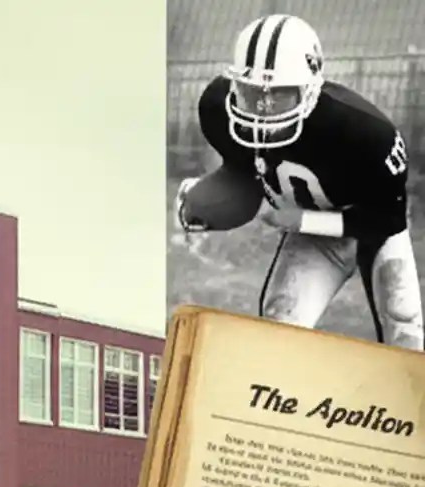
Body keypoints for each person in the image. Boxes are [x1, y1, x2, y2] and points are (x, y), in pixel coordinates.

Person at [174, 14, 423, 350]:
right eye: (251, 93)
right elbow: (241, 168)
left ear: (310, 89)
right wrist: (213, 196)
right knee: (281, 325)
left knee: (404, 327)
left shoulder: (367, 132)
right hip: (315, 241)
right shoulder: (218, 107)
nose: (263, 110)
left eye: (279, 96)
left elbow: (386, 221)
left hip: (370, 227)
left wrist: (302, 219)